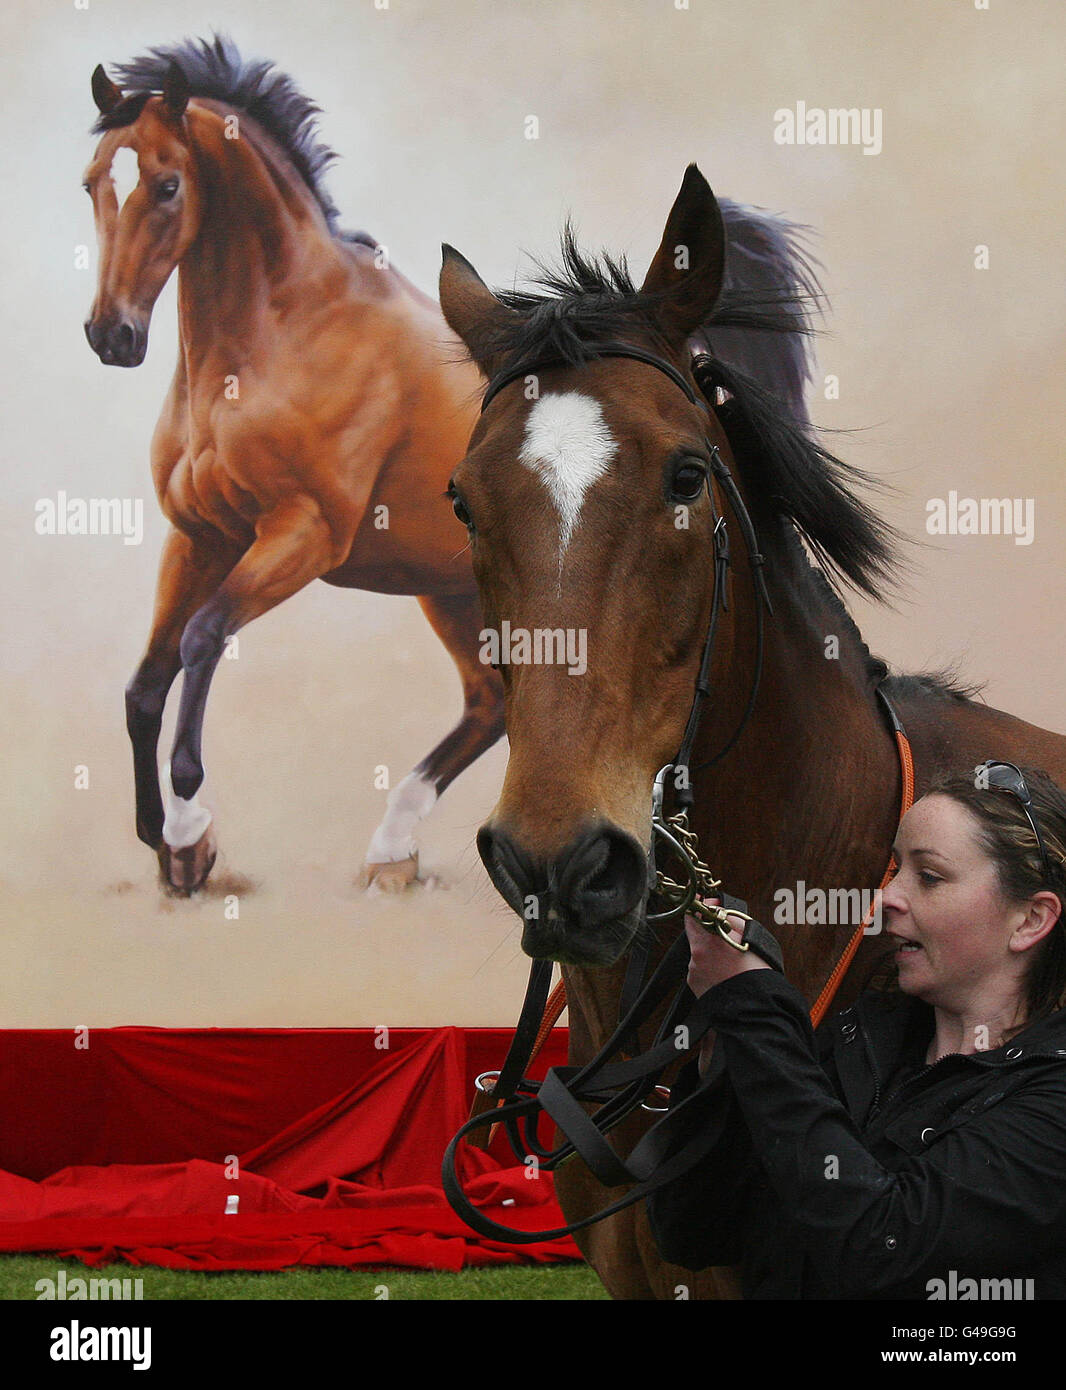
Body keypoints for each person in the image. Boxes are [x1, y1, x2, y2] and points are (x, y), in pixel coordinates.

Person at [646, 760, 1066, 1299]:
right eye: (895, 870)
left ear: (1031, 920)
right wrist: (724, 1058)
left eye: (929, 877)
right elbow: (691, 1234)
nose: (887, 899)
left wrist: (756, 1017)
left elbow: (880, 1253)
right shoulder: (860, 1039)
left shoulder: (1051, 1096)